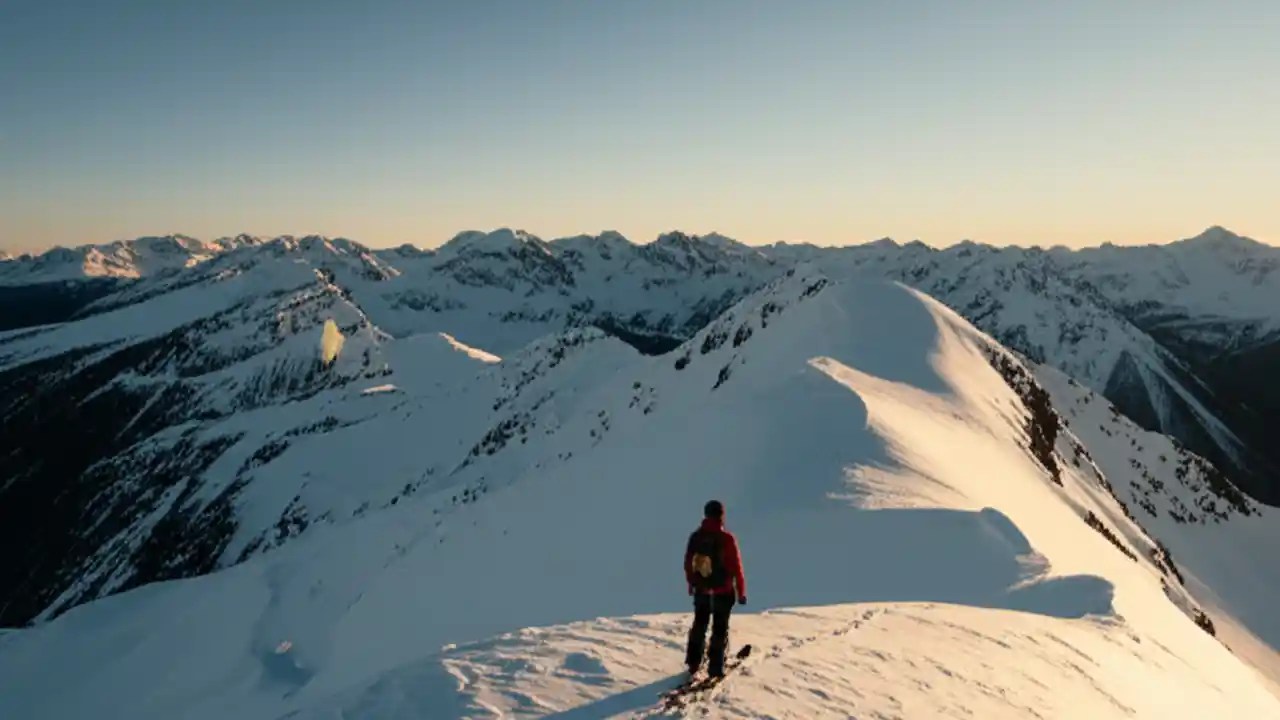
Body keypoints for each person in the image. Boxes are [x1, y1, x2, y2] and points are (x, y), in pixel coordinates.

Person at [683, 499, 747, 677]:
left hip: (702, 591)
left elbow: (688, 564)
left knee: (699, 625)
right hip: (723, 592)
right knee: (719, 629)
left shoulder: (695, 537)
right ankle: (715, 668)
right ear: (721, 515)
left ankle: (693, 663)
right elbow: (736, 567)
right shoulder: (727, 539)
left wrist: (692, 584)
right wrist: (741, 592)